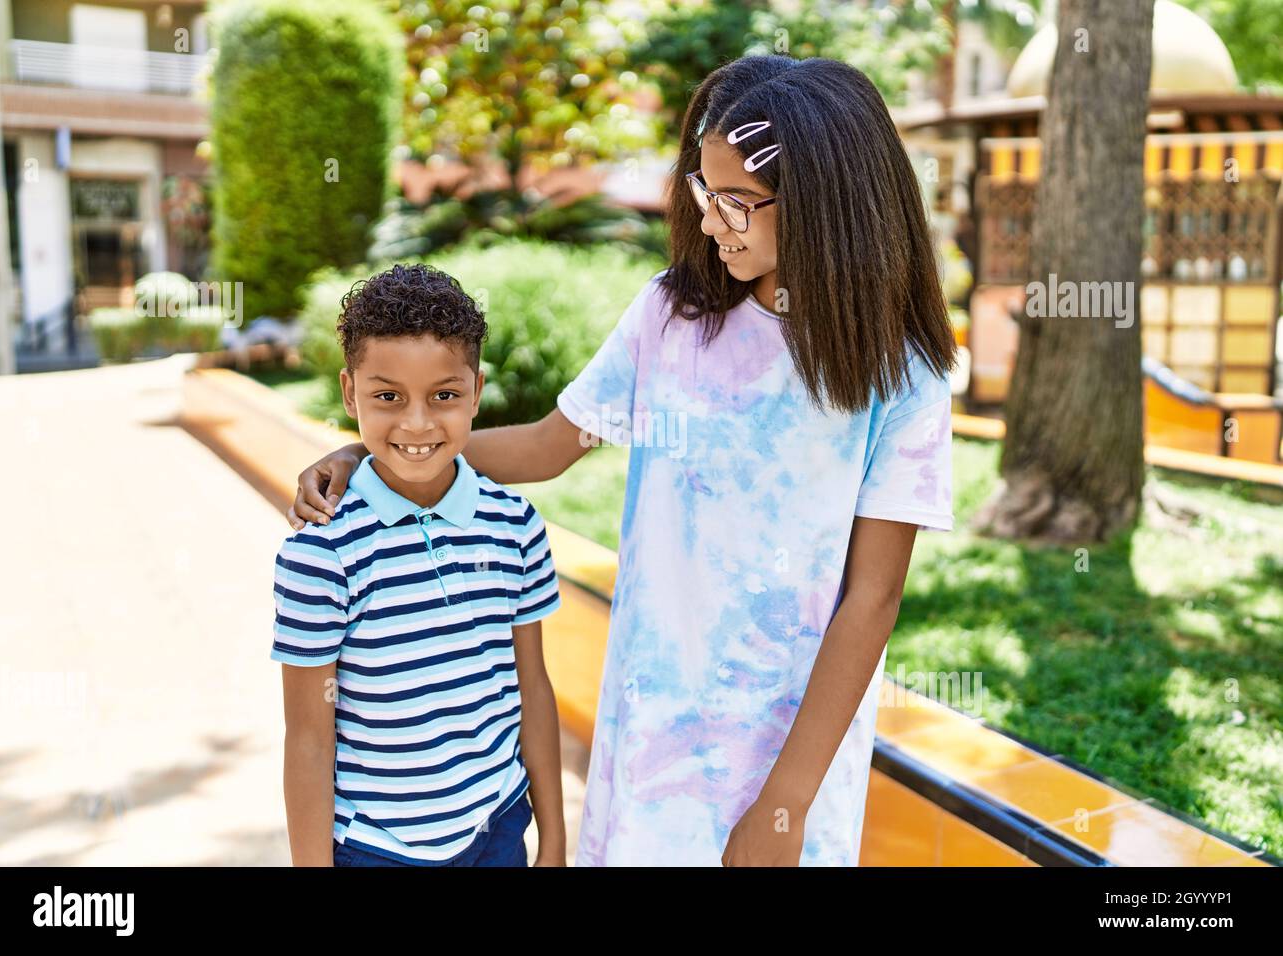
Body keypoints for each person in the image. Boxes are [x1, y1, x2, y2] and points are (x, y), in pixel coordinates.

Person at [288, 55, 957, 866]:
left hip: (797, 757)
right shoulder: (674, 316)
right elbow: (545, 446)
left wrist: (787, 798)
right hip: (653, 740)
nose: (712, 221)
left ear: (826, 204)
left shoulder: (905, 375)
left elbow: (873, 599)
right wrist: (378, 452)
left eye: (738, 202)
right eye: (704, 193)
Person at [273, 264, 566, 867]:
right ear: (349, 391)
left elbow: (531, 686)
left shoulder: (515, 526)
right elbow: (308, 736)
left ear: (477, 391)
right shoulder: (321, 553)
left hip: (499, 825)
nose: (416, 423)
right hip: (376, 849)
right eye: (387, 397)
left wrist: (555, 842)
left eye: (445, 396)